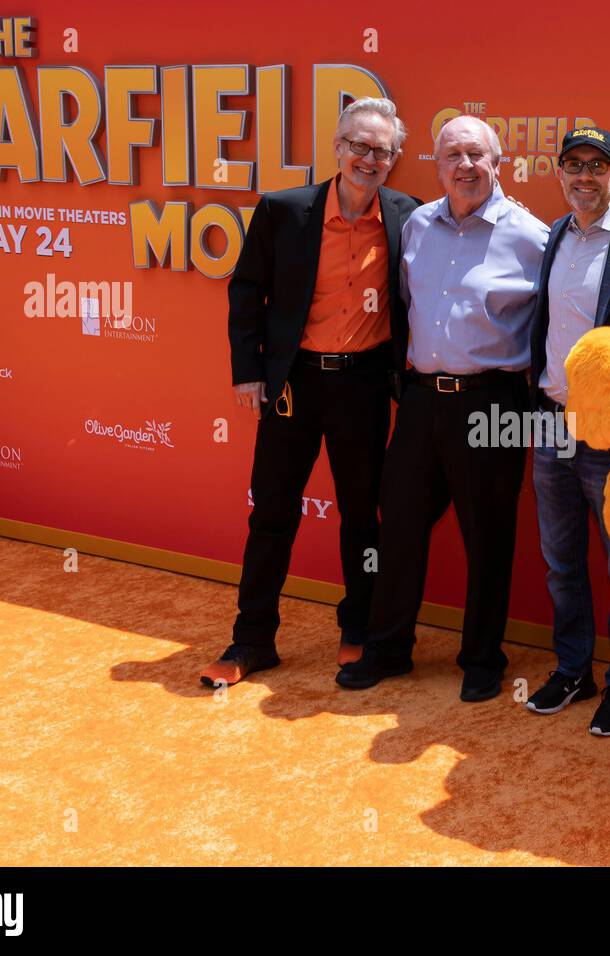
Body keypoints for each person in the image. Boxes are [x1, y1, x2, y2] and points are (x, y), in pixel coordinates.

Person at [201, 97, 421, 688]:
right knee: (272, 512)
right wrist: (249, 370)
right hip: (293, 384)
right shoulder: (284, 210)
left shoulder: (409, 216)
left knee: (362, 519)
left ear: (396, 158)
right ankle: (252, 639)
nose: (369, 159)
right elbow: (246, 291)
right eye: (359, 146)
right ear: (338, 147)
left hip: (365, 385)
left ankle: (360, 628)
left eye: (382, 150)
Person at [336, 115, 549, 702]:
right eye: (453, 155)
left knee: (489, 536)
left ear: (498, 163)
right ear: (435, 164)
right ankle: (387, 648)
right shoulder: (416, 226)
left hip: (496, 403)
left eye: (477, 155)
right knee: (397, 526)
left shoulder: (532, 236)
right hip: (423, 400)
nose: (465, 166)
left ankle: (482, 657)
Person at [524, 127, 610, 735]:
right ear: (560, 174)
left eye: (596, 166)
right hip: (549, 425)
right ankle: (574, 669)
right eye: (573, 165)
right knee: (560, 562)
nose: (584, 176)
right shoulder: (555, 234)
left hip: (609, 435)